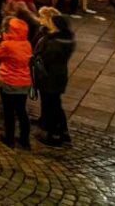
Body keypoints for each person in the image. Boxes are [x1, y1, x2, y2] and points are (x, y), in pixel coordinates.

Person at [0, 17, 34, 150]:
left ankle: (9, 137)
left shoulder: (7, 45)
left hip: (9, 81)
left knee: (9, 111)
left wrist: (3, 39)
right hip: (24, 82)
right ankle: (24, 140)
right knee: (21, 111)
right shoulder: (27, 43)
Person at [33, 14, 75, 147]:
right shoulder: (66, 39)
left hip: (49, 77)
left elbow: (43, 58)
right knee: (56, 104)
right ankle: (63, 132)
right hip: (59, 76)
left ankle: (52, 134)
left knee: (50, 104)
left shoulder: (53, 43)